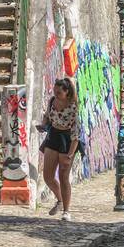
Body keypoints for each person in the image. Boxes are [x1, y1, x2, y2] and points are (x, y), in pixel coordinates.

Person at [39, 77, 80, 221]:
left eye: (59, 92)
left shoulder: (73, 107)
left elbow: (76, 133)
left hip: (67, 139)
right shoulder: (52, 101)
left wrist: (70, 153)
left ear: (67, 93)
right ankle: (59, 199)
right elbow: (47, 117)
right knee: (48, 176)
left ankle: (66, 211)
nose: (55, 94)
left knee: (63, 176)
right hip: (53, 136)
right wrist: (43, 125)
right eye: (54, 91)